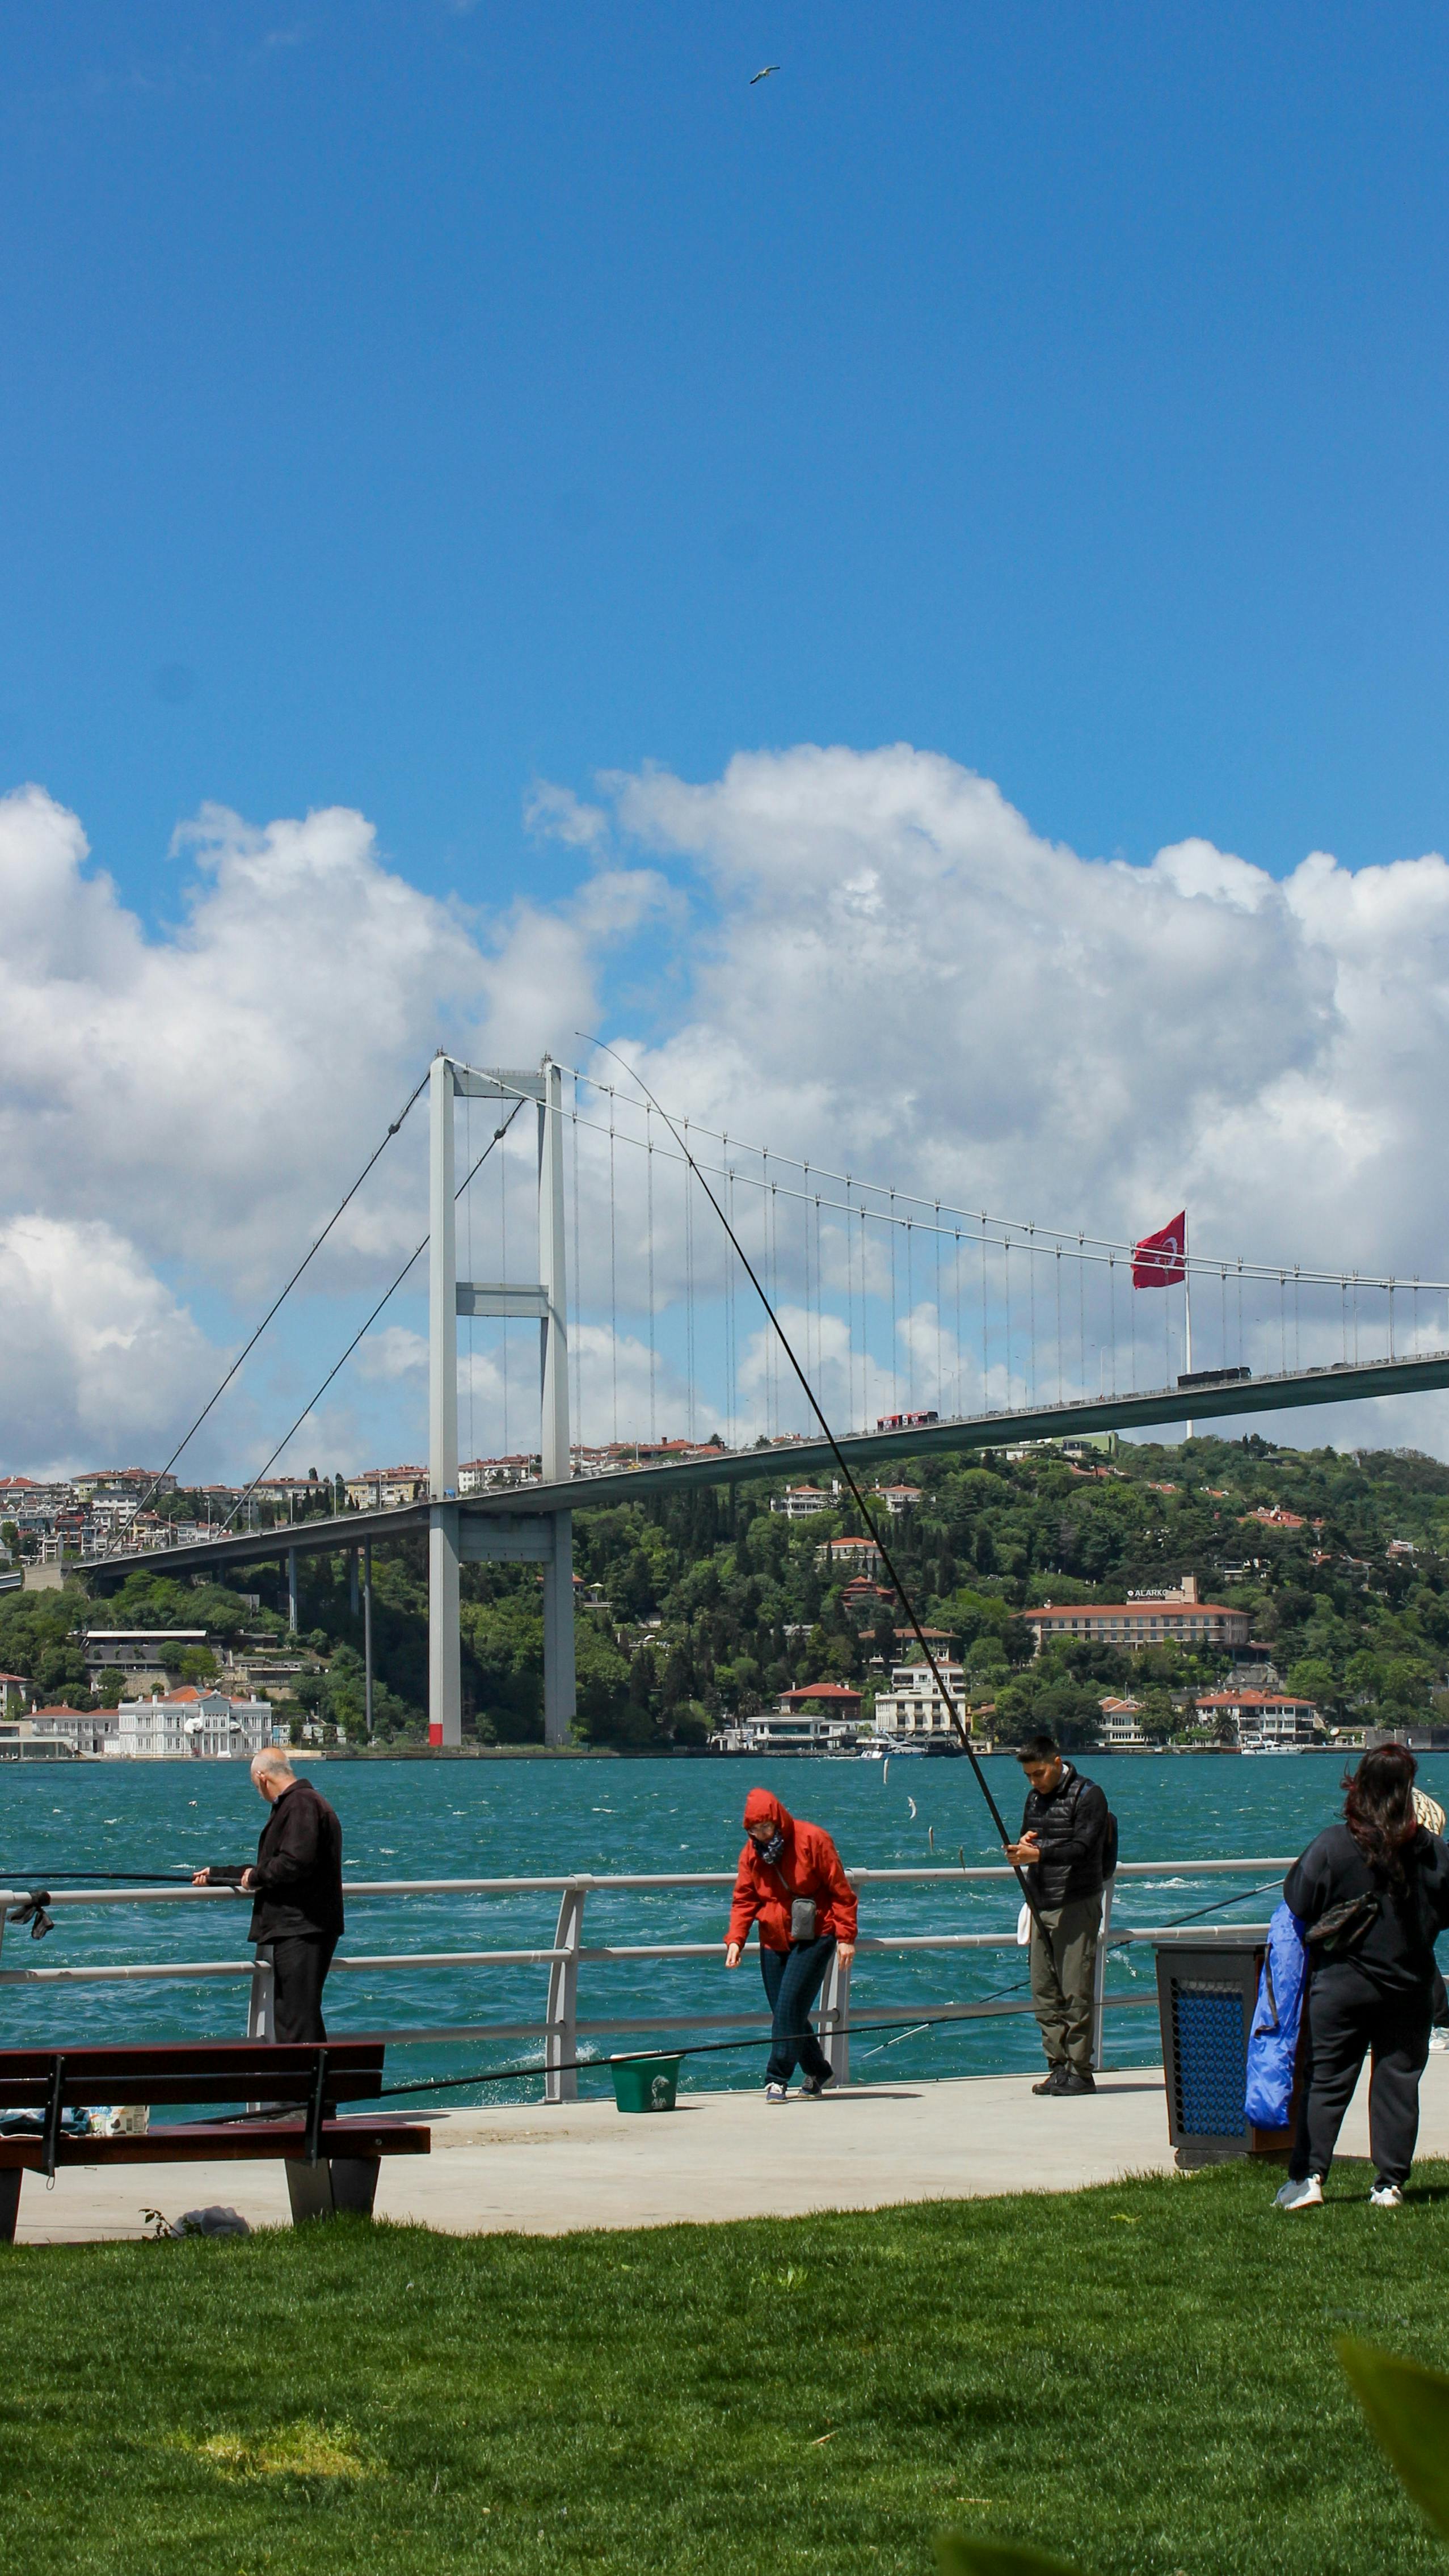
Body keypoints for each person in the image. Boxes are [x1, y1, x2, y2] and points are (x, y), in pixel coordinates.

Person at [1277, 1743, 1449, 2212]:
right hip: (1409, 1987)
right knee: (1398, 2083)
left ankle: (1308, 2176)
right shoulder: (1433, 1852)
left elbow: (1298, 1898)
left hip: (1342, 1986)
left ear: (1361, 1785)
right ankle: (1389, 2184)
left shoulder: (1335, 1844)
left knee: (1327, 2080)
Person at [193, 1750, 344, 2042]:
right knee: (297, 2014)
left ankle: (310, 2083)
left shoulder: (300, 1805)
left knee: (296, 2020)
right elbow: (274, 1864)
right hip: (304, 1926)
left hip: (302, 1927)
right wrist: (217, 1874)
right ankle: (314, 2081)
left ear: (263, 1778)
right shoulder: (306, 1804)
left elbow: (292, 1863)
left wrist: (256, 1877)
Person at [725, 1787, 857, 2101]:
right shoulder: (751, 1853)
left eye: (766, 1828)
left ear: (779, 1821)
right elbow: (744, 1898)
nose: (761, 1835)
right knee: (787, 2012)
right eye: (754, 1830)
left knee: (789, 2008)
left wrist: (846, 1937)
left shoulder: (814, 1839)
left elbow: (841, 1893)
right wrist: (735, 1940)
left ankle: (776, 2078)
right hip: (773, 1938)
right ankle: (818, 2070)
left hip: (816, 1933)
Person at [1006, 1732, 1111, 2098]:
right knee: (1045, 1991)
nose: (1035, 1782)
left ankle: (1081, 2071)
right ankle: (1057, 2067)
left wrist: (1039, 1854)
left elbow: (1085, 1848)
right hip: (1040, 1902)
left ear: (1056, 1762)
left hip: (1076, 1902)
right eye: (1029, 1777)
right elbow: (1028, 1839)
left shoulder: (1089, 1795)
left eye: (1039, 1774)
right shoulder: (1035, 1798)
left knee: (1075, 1989)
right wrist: (1022, 1847)